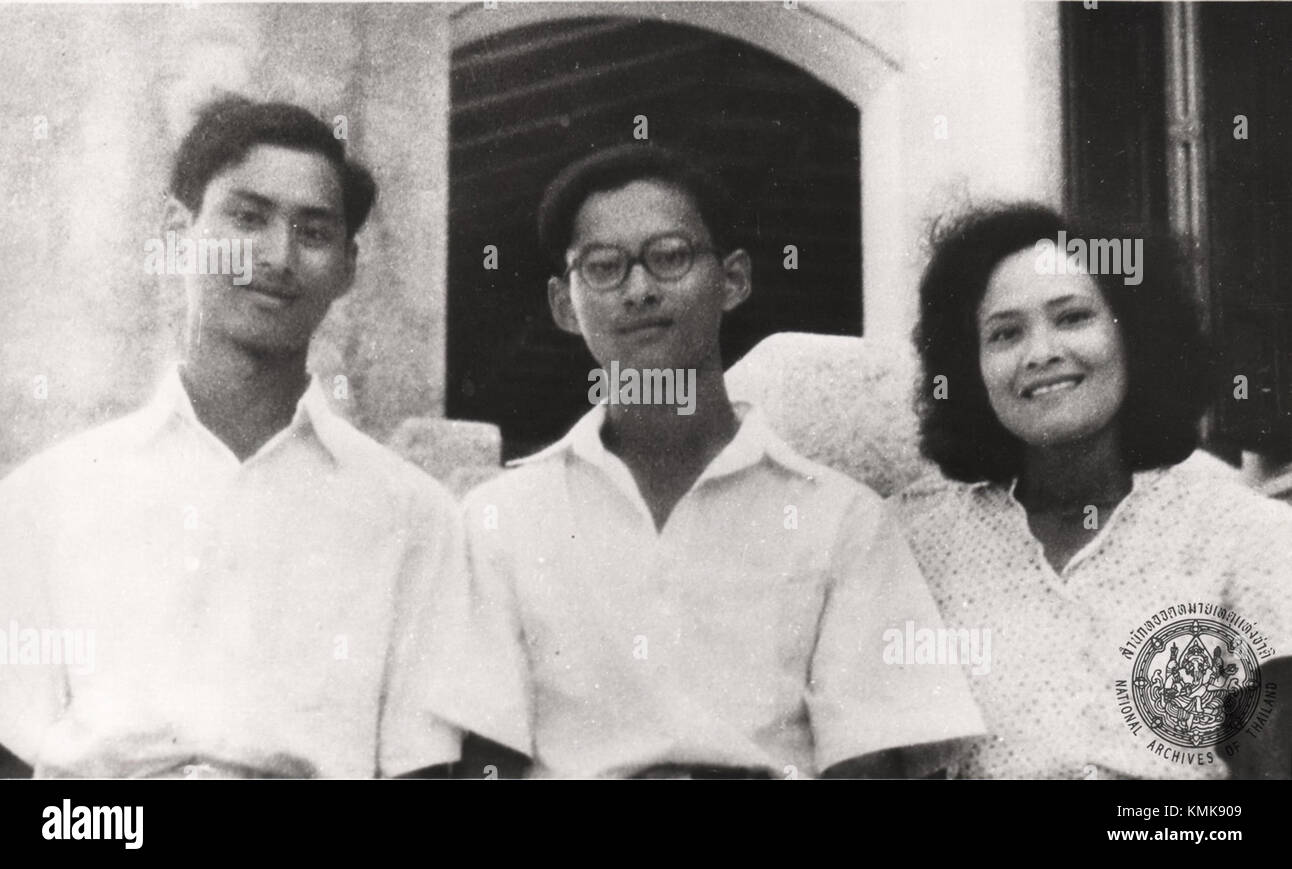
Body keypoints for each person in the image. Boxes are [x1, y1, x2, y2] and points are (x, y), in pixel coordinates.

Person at [422, 144, 985, 779]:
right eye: (603, 267)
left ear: (734, 280)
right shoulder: (500, 519)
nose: (639, 290)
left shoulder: (843, 520)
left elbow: (871, 762)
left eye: (670, 257)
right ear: (563, 304)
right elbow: (482, 761)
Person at [0, 96, 462, 778]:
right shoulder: (44, 500)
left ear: (348, 265)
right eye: (247, 217)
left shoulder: (413, 519)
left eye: (313, 230)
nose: (276, 255)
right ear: (177, 230)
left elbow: (424, 770)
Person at [892, 203, 1292, 779]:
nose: (1041, 353)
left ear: (1137, 335)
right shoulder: (916, 542)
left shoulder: (1243, 536)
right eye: (1005, 333)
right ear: (969, 365)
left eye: (1073, 317)